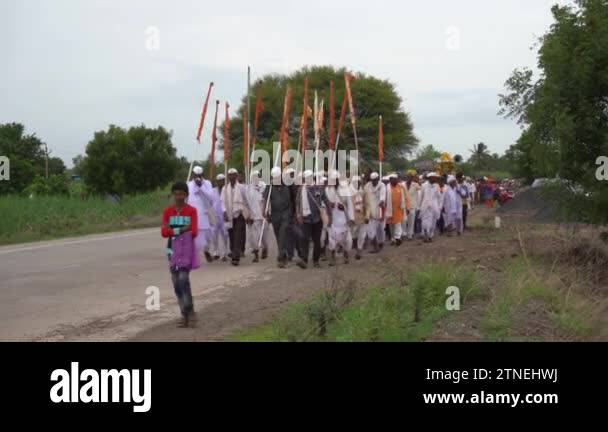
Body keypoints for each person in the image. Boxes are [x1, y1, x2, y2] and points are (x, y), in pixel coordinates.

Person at [161, 182, 199, 328]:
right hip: (171, 249)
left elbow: (194, 231)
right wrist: (182, 229)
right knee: (176, 283)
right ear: (173, 194)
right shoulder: (168, 212)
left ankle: (190, 311)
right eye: (176, 194)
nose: (178, 197)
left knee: (183, 279)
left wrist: (174, 230)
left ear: (186, 195)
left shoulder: (191, 211)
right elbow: (164, 233)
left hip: (186, 249)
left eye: (181, 194)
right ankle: (184, 313)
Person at [295, 170, 331, 269]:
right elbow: (298, 202)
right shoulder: (301, 189)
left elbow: (326, 201)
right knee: (304, 239)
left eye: (310, 177)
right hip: (306, 219)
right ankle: (304, 260)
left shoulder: (319, 188)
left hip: (317, 219)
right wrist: (298, 214)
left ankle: (316, 260)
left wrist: (329, 214)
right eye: (306, 178)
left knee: (317, 241)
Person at [264, 167, 297, 269]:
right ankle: (284, 254)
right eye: (274, 178)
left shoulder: (288, 184)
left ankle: (281, 258)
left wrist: (295, 212)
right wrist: (265, 211)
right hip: (275, 214)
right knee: (278, 236)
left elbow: (294, 198)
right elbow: (266, 199)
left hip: (286, 212)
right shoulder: (269, 186)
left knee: (283, 233)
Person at [221, 168, 252, 266]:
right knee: (232, 236)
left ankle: (236, 258)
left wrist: (249, 214)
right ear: (228, 177)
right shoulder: (225, 188)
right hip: (229, 215)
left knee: (238, 235)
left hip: (240, 214)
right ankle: (234, 251)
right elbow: (222, 201)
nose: (232, 176)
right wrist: (224, 212)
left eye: (233, 174)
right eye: (230, 175)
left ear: (236, 175)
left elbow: (247, 200)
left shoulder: (242, 187)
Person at [187, 166, 216, 263]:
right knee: (195, 237)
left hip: (205, 214)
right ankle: (193, 256)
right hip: (193, 215)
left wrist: (201, 187)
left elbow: (211, 197)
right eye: (196, 175)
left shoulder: (207, 183)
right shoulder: (188, 184)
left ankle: (206, 251)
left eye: (199, 175)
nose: (197, 177)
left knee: (208, 236)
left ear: (202, 174)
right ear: (193, 175)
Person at [325, 171, 355, 266]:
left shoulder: (345, 189)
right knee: (332, 241)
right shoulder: (327, 190)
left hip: (343, 219)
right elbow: (323, 204)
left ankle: (346, 254)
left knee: (347, 240)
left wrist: (351, 218)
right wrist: (329, 205)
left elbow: (350, 204)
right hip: (332, 219)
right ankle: (332, 257)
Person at [245, 171, 269, 263]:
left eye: (257, 176)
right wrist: (248, 215)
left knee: (264, 236)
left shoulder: (264, 187)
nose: (255, 178)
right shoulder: (248, 188)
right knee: (253, 237)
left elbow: (267, 200)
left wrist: (268, 212)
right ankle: (255, 254)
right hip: (253, 217)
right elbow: (246, 203)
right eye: (254, 176)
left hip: (263, 216)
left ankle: (265, 248)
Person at [364, 172, 387, 253]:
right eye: (372, 180)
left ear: (378, 179)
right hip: (369, 211)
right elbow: (364, 195)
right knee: (370, 230)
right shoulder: (367, 185)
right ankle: (375, 246)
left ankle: (381, 243)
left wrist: (382, 201)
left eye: (375, 180)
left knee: (380, 229)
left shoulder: (382, 185)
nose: (373, 182)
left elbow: (383, 196)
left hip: (379, 210)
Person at [385, 173, 408, 246]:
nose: (395, 181)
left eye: (396, 179)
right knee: (391, 225)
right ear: (390, 180)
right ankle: (393, 239)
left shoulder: (401, 187)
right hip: (389, 209)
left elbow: (406, 197)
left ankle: (398, 238)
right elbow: (384, 198)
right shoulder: (387, 188)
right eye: (393, 179)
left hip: (399, 209)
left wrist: (407, 207)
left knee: (398, 224)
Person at [349, 175, 369, 260]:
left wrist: (367, 216)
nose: (357, 184)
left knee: (362, 235)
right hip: (353, 218)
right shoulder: (348, 193)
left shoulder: (364, 191)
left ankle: (359, 250)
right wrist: (350, 218)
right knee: (353, 235)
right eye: (355, 182)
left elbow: (367, 205)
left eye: (358, 182)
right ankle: (356, 246)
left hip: (362, 217)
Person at [211, 174, 229, 262]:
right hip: (215, 216)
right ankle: (215, 252)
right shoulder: (212, 191)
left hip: (224, 216)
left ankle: (224, 253)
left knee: (225, 235)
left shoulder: (227, 191)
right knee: (214, 235)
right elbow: (209, 204)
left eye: (222, 180)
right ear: (217, 182)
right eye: (219, 180)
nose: (221, 182)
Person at [419, 173, 442, 243]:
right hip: (425, 206)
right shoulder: (424, 185)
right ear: (430, 178)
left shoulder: (437, 186)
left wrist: (439, 206)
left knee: (433, 222)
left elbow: (439, 197)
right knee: (425, 221)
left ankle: (430, 236)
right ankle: (426, 235)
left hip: (434, 207)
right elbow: (421, 197)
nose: (435, 179)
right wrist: (419, 207)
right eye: (434, 177)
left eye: (436, 177)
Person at [403, 171, 421, 241]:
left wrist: (418, 180)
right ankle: (403, 234)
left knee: (411, 221)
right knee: (404, 221)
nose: (409, 178)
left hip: (412, 206)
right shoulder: (402, 185)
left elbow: (421, 189)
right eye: (408, 177)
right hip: (404, 206)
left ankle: (410, 235)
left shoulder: (415, 184)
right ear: (406, 177)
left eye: (411, 177)